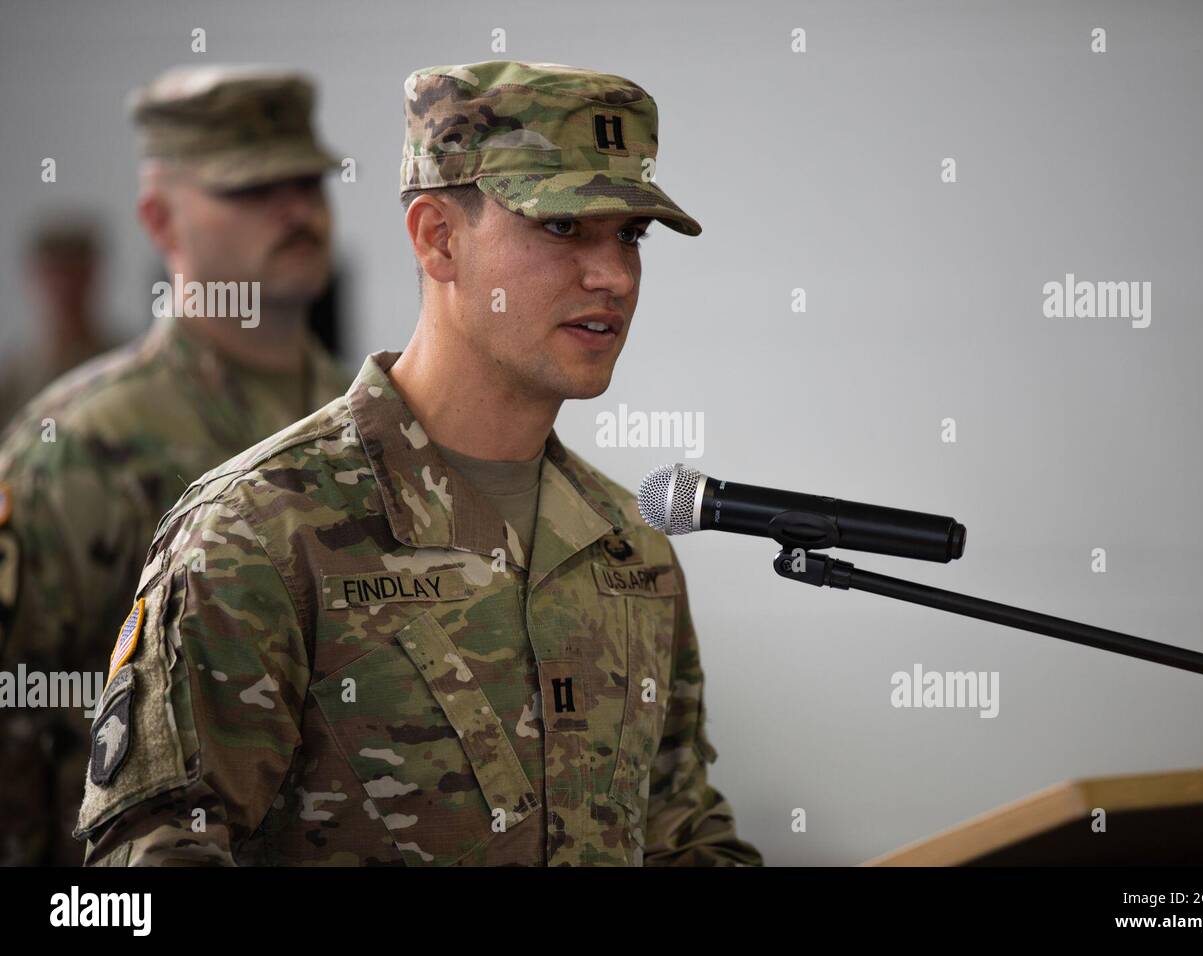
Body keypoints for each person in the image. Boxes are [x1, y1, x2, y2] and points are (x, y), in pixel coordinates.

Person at [76, 60, 761, 867]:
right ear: (439, 238)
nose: (611, 275)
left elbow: (681, 836)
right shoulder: (259, 533)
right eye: (563, 227)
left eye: (631, 235)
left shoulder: (629, 549)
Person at [0, 65, 350, 866]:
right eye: (251, 189)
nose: (296, 210)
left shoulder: (368, 424)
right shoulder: (81, 447)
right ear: (161, 219)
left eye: (306, 181)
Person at [0, 219, 118, 428]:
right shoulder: (15, 376)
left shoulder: (122, 361)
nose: (64, 287)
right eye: (54, 273)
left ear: (92, 274)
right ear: (34, 277)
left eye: (74, 272)